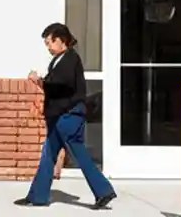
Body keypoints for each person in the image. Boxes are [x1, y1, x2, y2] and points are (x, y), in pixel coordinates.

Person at [16, 23, 116, 210]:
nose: (48, 47)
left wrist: (40, 81)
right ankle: (37, 196)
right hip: (59, 116)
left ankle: (104, 191)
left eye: (50, 42)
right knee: (48, 155)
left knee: (80, 155)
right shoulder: (60, 60)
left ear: (62, 41)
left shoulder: (70, 59)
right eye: (46, 43)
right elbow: (56, 86)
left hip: (68, 116)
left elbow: (62, 85)